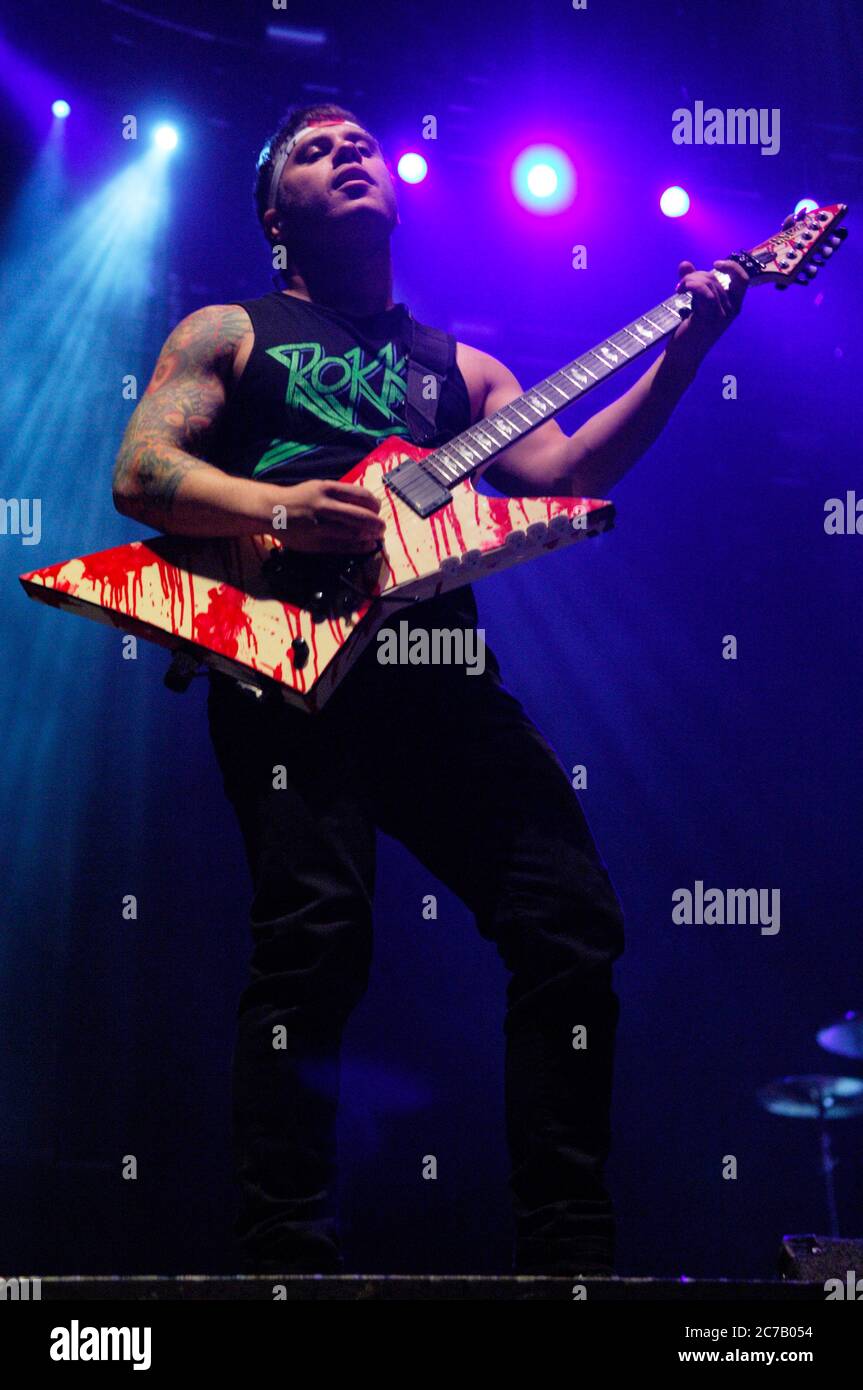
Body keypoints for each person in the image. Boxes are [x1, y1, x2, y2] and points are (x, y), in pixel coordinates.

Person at [112, 103, 748, 1275]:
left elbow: (565, 470)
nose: (348, 152)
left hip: (439, 668)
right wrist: (276, 508)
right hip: (286, 665)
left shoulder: (458, 368)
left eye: (360, 142)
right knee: (316, 937)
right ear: (271, 214)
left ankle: (568, 1248)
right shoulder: (230, 330)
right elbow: (143, 471)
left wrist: (686, 347)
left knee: (570, 921)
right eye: (311, 148)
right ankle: (285, 1255)